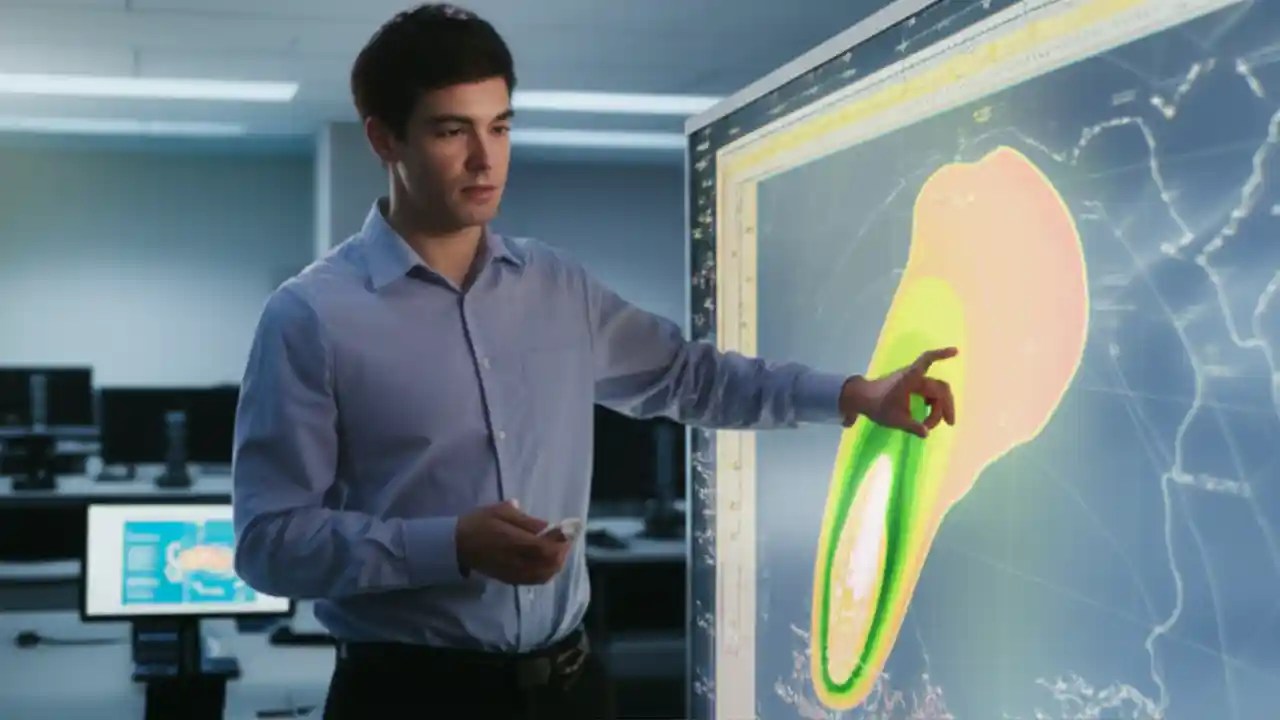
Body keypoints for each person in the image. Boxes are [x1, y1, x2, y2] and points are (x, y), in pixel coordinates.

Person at [230, 4, 957, 720]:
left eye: (500, 127)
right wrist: (450, 545)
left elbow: (690, 377)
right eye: (454, 131)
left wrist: (855, 395)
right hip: (408, 695)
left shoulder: (557, 287)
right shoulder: (311, 317)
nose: (487, 159)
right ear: (383, 139)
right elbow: (270, 544)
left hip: (569, 688)